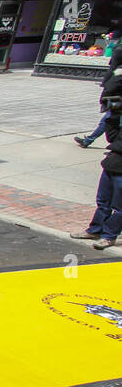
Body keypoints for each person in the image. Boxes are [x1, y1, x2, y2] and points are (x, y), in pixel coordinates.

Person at [70, 65, 122, 249]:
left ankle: (109, 236)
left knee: (119, 206)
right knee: (103, 201)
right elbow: (109, 92)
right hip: (113, 160)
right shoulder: (116, 115)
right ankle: (95, 230)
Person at [75, 49, 122, 147]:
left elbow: (111, 86)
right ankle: (88, 140)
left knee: (108, 121)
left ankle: (90, 141)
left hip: (117, 100)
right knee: (107, 120)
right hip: (116, 99)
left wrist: (105, 96)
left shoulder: (119, 70)